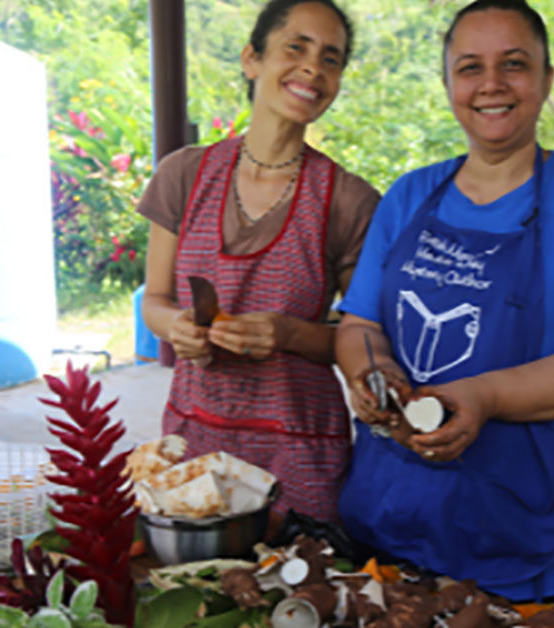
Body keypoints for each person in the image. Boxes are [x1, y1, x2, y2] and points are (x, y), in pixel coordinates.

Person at [333, 0, 554, 625]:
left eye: (514, 65)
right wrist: (372, 373)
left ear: (546, 79)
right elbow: (359, 325)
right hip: (394, 517)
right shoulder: (410, 194)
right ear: (448, 85)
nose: (491, 84)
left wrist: (484, 397)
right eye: (470, 67)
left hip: (533, 544)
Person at [137, 0, 380, 522]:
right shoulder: (184, 174)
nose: (314, 68)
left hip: (299, 447)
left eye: (331, 59)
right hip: (194, 438)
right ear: (252, 59)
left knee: (303, 589)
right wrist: (175, 326)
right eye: (297, 47)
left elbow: (362, 336)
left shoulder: (349, 200)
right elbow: (154, 301)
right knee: (197, 590)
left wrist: (288, 334)